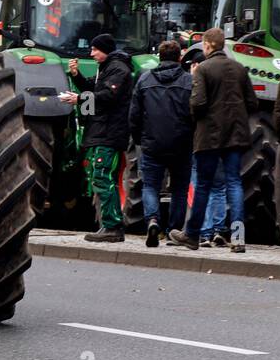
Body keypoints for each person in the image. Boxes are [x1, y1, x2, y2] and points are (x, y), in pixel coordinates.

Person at [169, 28, 257, 253]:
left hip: (209, 136)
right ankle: (237, 239)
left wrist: (196, 117)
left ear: (207, 45)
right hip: (235, 136)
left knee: (203, 185)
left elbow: (197, 104)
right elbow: (252, 103)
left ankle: (192, 235)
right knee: (234, 183)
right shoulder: (239, 69)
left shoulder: (203, 69)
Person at [64, 33, 135, 242]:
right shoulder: (105, 69)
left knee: (103, 176)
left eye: (95, 49)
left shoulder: (118, 70)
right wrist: (76, 76)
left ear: (105, 49)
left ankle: (112, 226)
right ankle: (109, 226)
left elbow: (106, 97)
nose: (91, 53)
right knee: (101, 177)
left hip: (109, 133)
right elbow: (94, 92)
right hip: (101, 131)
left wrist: (79, 99)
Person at [128, 40, 193, 247]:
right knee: (180, 189)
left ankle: (153, 220)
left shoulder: (145, 80)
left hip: (152, 144)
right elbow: (195, 114)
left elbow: (134, 115)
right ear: (180, 57)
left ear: (159, 57)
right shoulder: (189, 81)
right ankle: (173, 230)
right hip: (182, 144)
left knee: (150, 186)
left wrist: (139, 139)